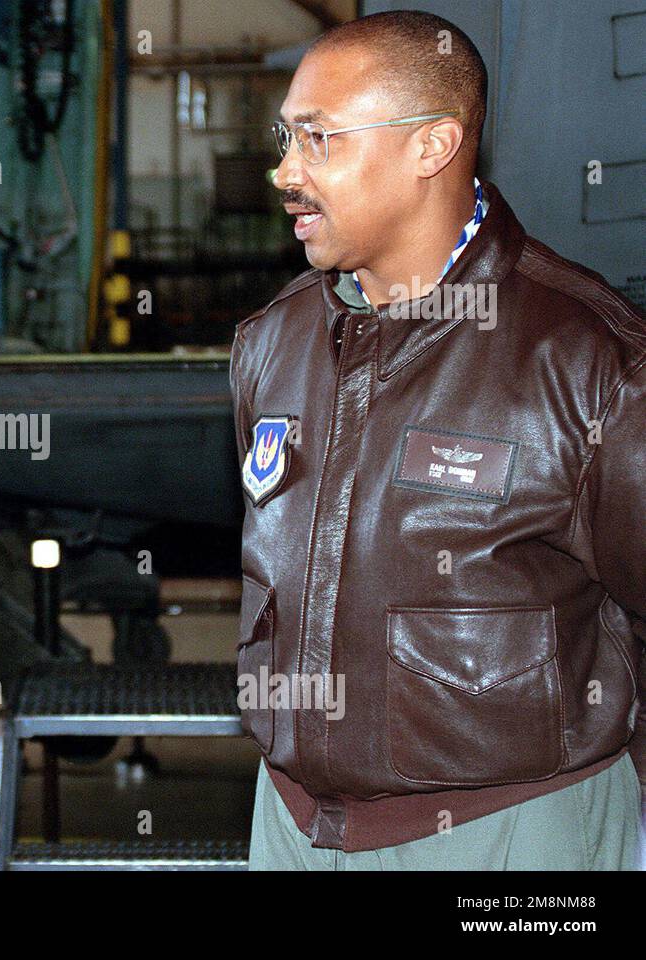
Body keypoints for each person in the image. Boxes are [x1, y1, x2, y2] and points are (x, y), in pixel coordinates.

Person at [231, 10, 645, 869]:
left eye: (318, 140)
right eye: (286, 139)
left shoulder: (589, 357)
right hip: (293, 826)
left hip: (512, 835)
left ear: (432, 146)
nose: (285, 171)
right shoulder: (271, 345)